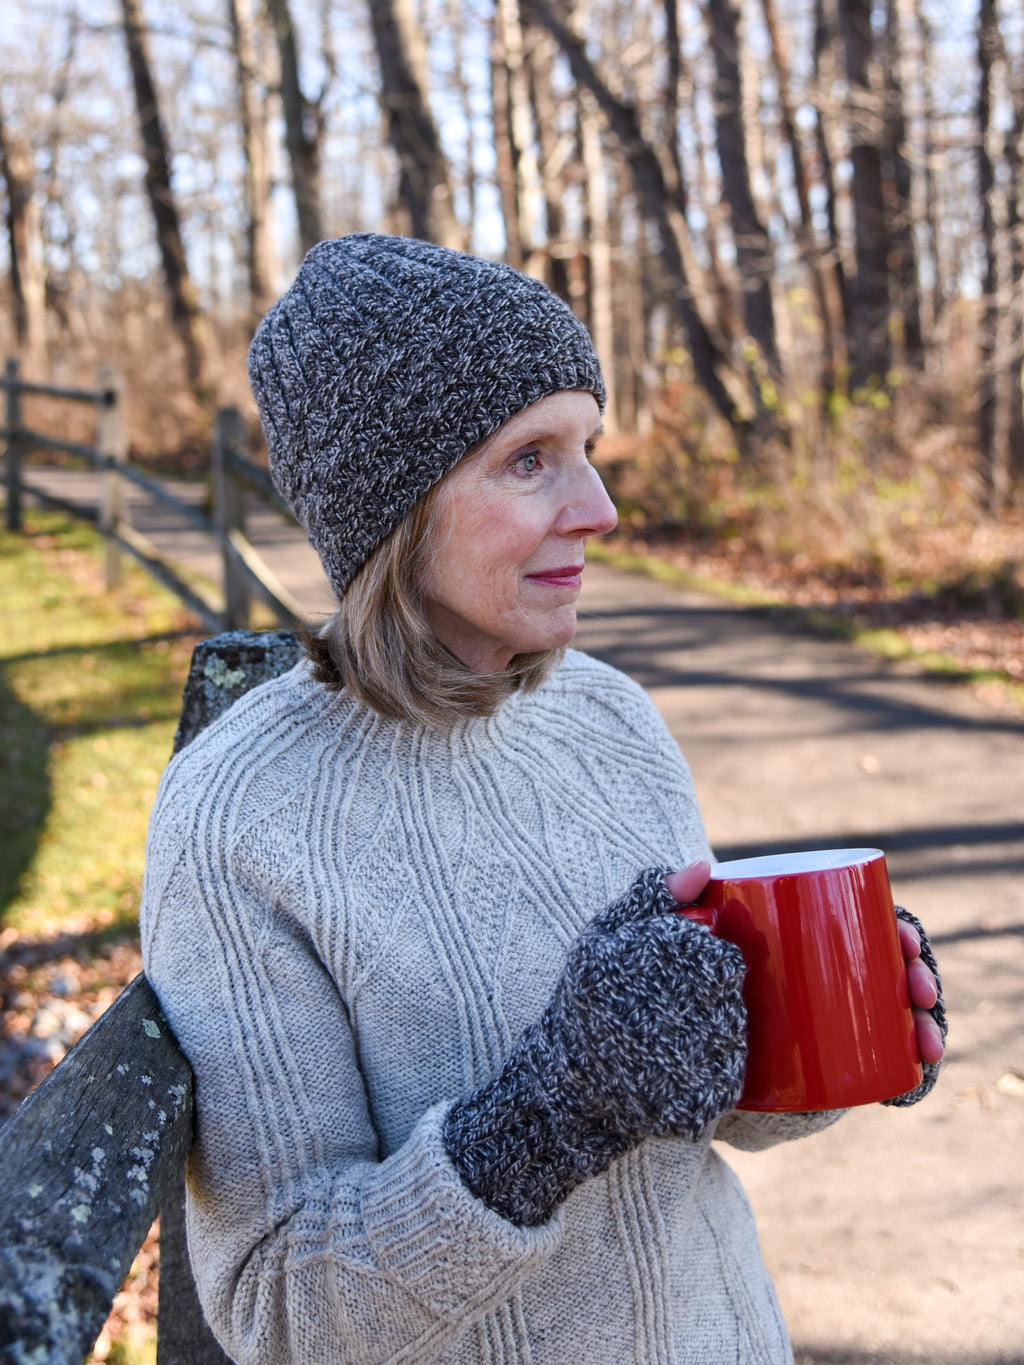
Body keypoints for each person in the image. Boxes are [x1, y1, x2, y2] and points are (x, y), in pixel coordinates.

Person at [140, 234, 946, 1365]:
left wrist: (838, 1027)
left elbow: (706, 1103)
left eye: (588, 448)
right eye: (530, 460)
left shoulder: (609, 719)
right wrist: (545, 1119)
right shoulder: (240, 819)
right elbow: (278, 1305)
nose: (600, 507)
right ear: (394, 505)